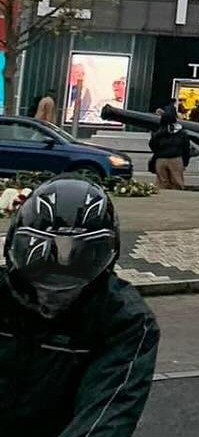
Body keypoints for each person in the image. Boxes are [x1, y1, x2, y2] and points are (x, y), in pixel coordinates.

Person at [1, 175, 160, 436]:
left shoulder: (123, 319)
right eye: (39, 252)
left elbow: (107, 413)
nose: (57, 276)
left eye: (81, 257)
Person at [148, 105, 190, 189]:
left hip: (160, 159)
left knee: (161, 185)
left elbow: (152, 145)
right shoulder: (181, 133)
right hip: (176, 159)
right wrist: (185, 162)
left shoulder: (157, 132)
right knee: (177, 185)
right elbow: (186, 148)